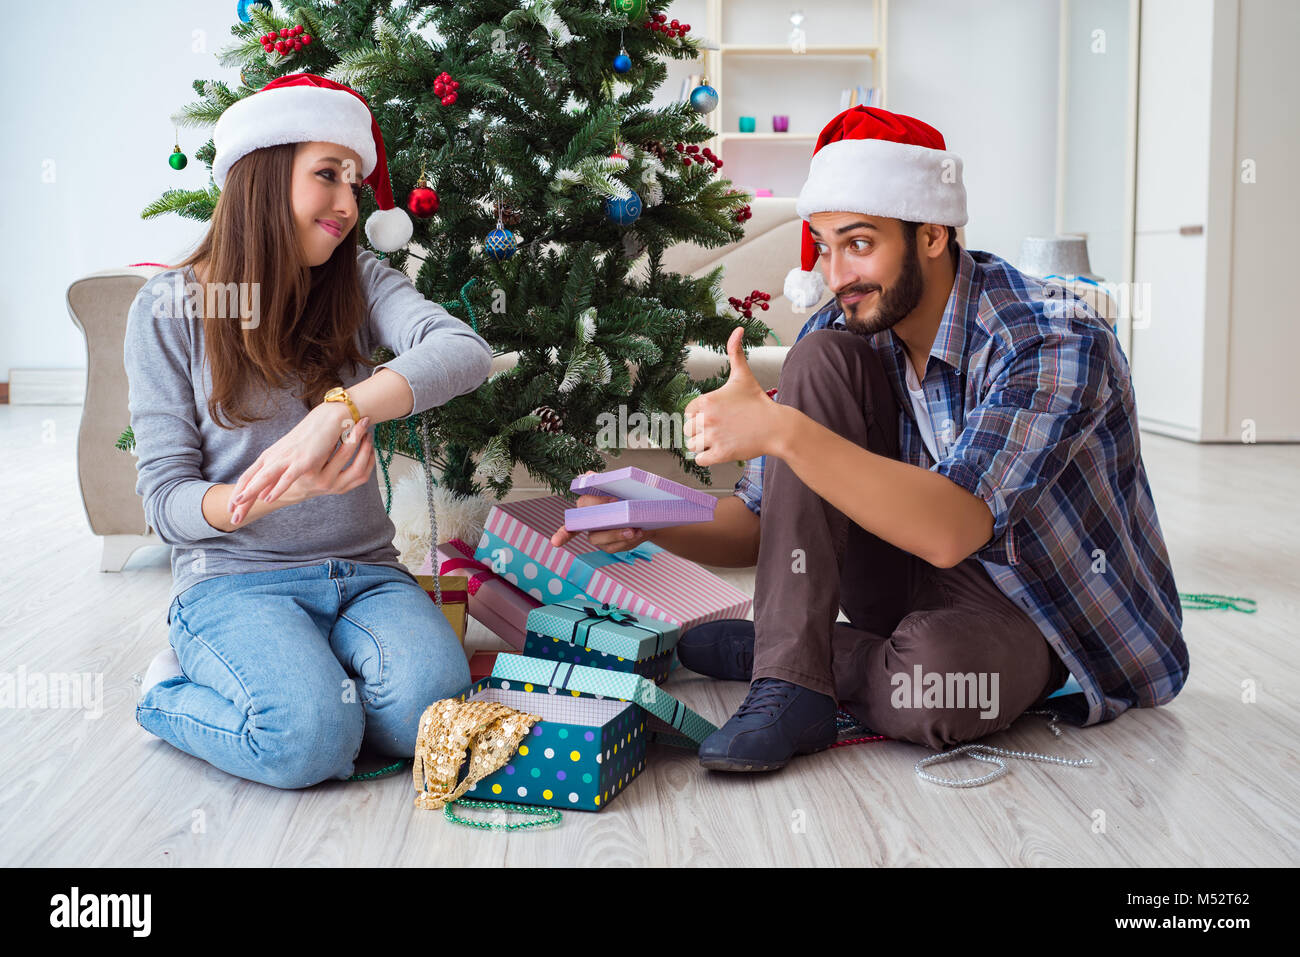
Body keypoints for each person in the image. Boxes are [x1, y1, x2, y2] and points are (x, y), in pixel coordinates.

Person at [553, 105, 1187, 773]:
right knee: (821, 357)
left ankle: (791, 652)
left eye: (859, 244)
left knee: (935, 688)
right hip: (906, 585)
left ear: (934, 234)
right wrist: (647, 513)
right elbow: (767, 523)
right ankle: (790, 674)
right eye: (824, 246)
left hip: (1037, 610)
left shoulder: (1053, 339)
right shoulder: (846, 326)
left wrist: (783, 429)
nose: (835, 275)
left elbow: (952, 529)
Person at [127, 73, 492, 789]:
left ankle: (314, 676)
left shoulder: (361, 281)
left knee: (428, 715)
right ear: (261, 176)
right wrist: (270, 495)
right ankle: (166, 693)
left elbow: (464, 352)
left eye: (355, 183)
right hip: (235, 582)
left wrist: (341, 409)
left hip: (365, 575)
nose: (348, 203)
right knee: (311, 739)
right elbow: (164, 500)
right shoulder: (170, 307)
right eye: (327, 175)